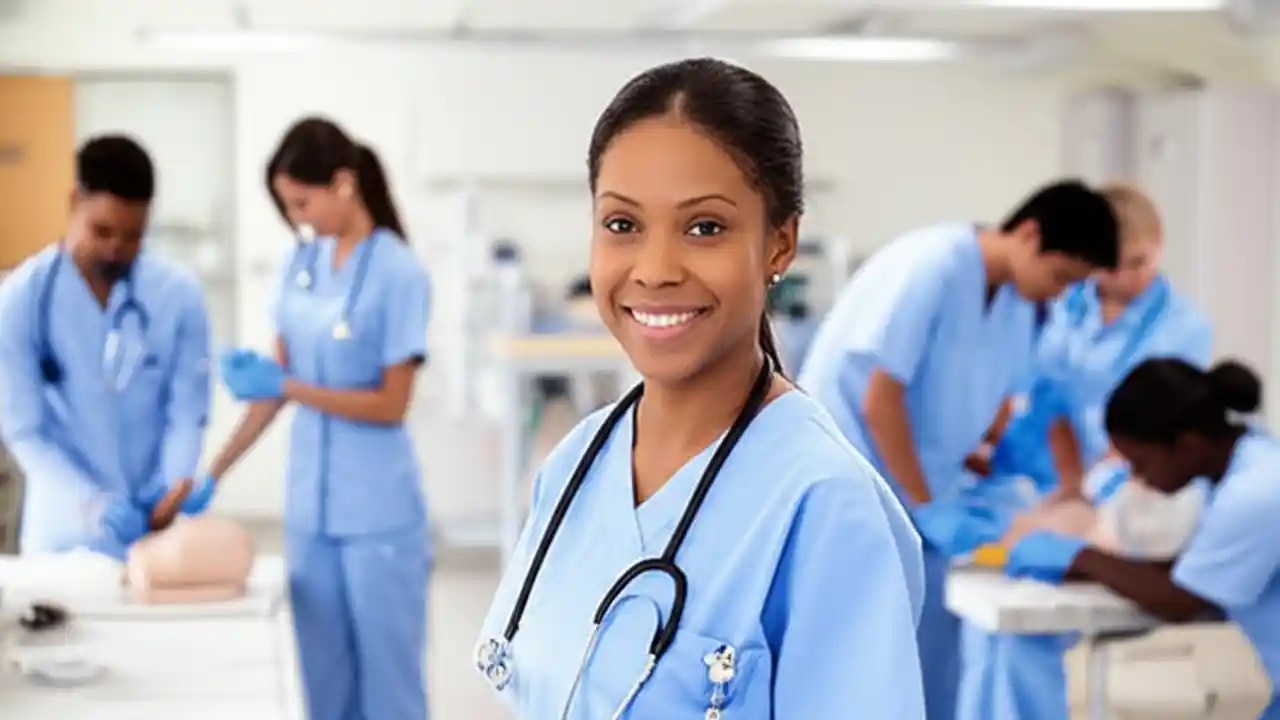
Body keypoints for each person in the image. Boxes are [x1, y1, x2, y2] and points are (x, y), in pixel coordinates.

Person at [475, 58, 926, 718]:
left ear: (780, 244)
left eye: (705, 227)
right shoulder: (576, 464)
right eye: (623, 225)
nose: (655, 270)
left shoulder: (825, 506)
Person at [797, 179, 1119, 720]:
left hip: (920, 485)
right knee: (866, 659)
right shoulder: (935, 265)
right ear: (1029, 233)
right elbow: (881, 400)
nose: (1059, 292)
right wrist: (924, 503)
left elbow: (992, 389)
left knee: (934, 657)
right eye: (1061, 276)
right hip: (855, 479)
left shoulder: (1017, 302)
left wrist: (977, 453)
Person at [203, 117, 432, 720]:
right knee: (318, 683)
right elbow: (273, 390)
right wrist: (213, 474)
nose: (297, 218)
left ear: (343, 183)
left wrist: (291, 385)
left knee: (389, 687)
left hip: (378, 515)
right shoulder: (298, 265)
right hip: (310, 512)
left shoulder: (399, 273)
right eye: (286, 206)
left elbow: (391, 404)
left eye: (303, 202)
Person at [958, 184, 1215, 720]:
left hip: (1133, 492)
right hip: (1045, 481)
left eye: (1140, 263)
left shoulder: (1183, 329)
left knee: (1024, 626)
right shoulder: (1062, 304)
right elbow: (1046, 401)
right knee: (985, 623)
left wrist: (1092, 501)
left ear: (1159, 245)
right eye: (1113, 267)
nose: (1126, 278)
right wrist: (1067, 490)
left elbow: (1160, 436)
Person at [1006, 358, 1280, 720]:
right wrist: (1089, 566)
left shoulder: (1255, 489)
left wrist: (1078, 557)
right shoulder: (1244, 467)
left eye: (1141, 462)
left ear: (1187, 445)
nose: (1138, 477)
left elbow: (1181, 599)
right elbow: (1193, 570)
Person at [0, 135, 212, 560]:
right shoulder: (20, 299)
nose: (116, 249)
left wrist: (173, 481)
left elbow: (187, 412)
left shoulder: (179, 295)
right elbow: (24, 431)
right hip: (63, 529)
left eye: (133, 235)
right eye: (102, 231)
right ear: (74, 201)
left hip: (155, 530)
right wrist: (91, 506)